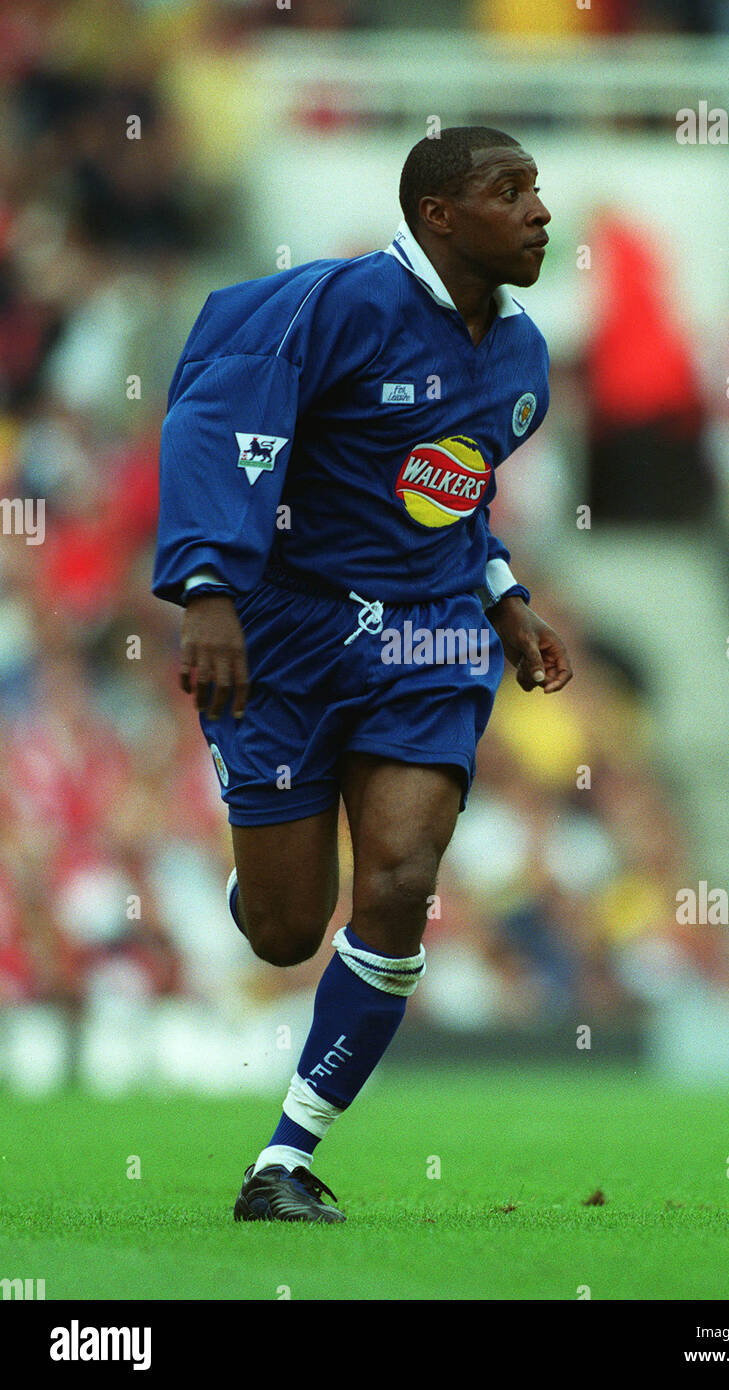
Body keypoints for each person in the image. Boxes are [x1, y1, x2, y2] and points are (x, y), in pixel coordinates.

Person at [152, 126, 572, 1223]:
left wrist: (504, 599)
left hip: (427, 640)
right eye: (508, 189)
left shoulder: (522, 358)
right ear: (439, 214)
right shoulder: (331, 305)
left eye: (536, 189)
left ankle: (285, 1155)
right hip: (287, 635)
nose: (538, 209)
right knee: (287, 929)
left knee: (400, 880)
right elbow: (214, 416)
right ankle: (259, 872)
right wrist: (205, 588)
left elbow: (450, 497)